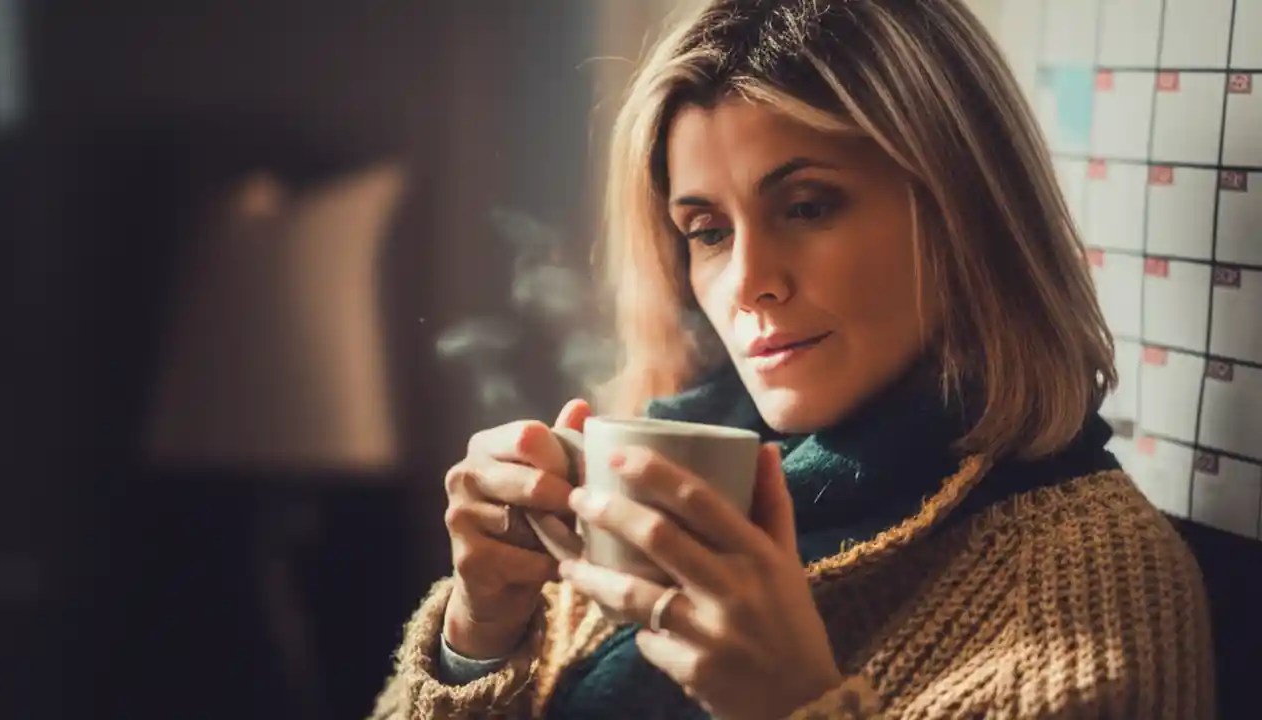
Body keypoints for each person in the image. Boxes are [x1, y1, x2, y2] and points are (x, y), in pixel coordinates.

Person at [369, 1, 1214, 717]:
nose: (748, 283)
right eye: (706, 230)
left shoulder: (1097, 585)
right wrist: (477, 638)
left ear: (964, 211)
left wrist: (793, 702)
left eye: (807, 206)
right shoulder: (674, 471)